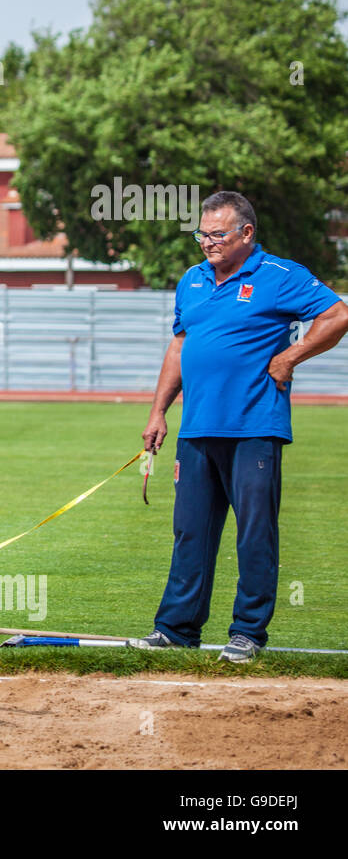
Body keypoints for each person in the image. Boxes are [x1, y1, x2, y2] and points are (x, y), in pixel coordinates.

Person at [133, 191, 348, 662]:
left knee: (254, 533)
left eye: (218, 235)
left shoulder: (279, 276)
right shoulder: (191, 280)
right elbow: (179, 346)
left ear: (246, 234)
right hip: (195, 431)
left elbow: (337, 315)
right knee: (190, 531)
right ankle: (176, 629)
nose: (208, 243)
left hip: (254, 427)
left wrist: (290, 357)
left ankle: (247, 633)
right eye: (202, 234)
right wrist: (158, 412)